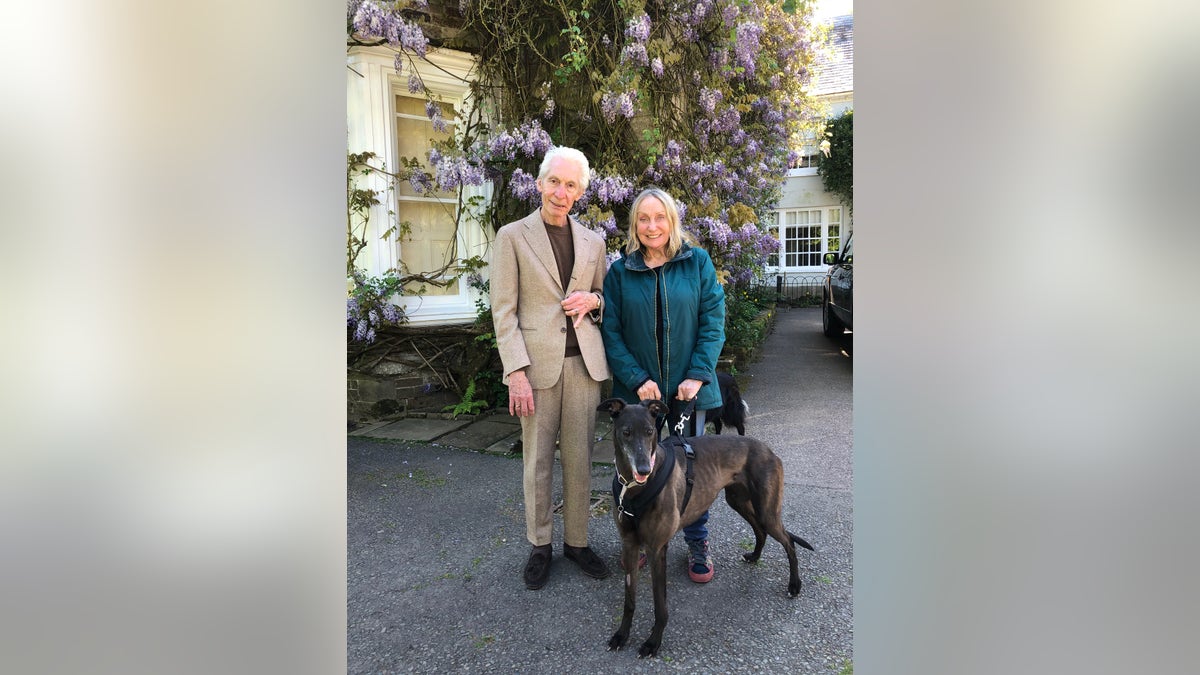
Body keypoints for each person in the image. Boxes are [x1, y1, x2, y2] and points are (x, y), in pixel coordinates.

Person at [490, 146, 612, 590]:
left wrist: (595, 300)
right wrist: (515, 372)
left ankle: (577, 542)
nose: (561, 192)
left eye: (571, 185)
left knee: (579, 460)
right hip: (536, 370)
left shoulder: (594, 242)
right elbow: (504, 312)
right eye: (554, 182)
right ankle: (540, 544)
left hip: (584, 367)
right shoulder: (512, 237)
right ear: (539, 183)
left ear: (580, 193)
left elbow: (604, 298)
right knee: (537, 461)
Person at [601, 187, 726, 583]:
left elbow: (713, 321)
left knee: (692, 472)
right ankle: (638, 541)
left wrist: (698, 374)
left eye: (659, 217)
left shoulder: (698, 263)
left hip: (687, 394)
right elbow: (611, 331)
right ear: (634, 225)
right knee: (637, 469)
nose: (651, 226)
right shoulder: (620, 272)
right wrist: (637, 379)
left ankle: (697, 540)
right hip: (640, 399)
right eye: (643, 218)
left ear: (672, 221)